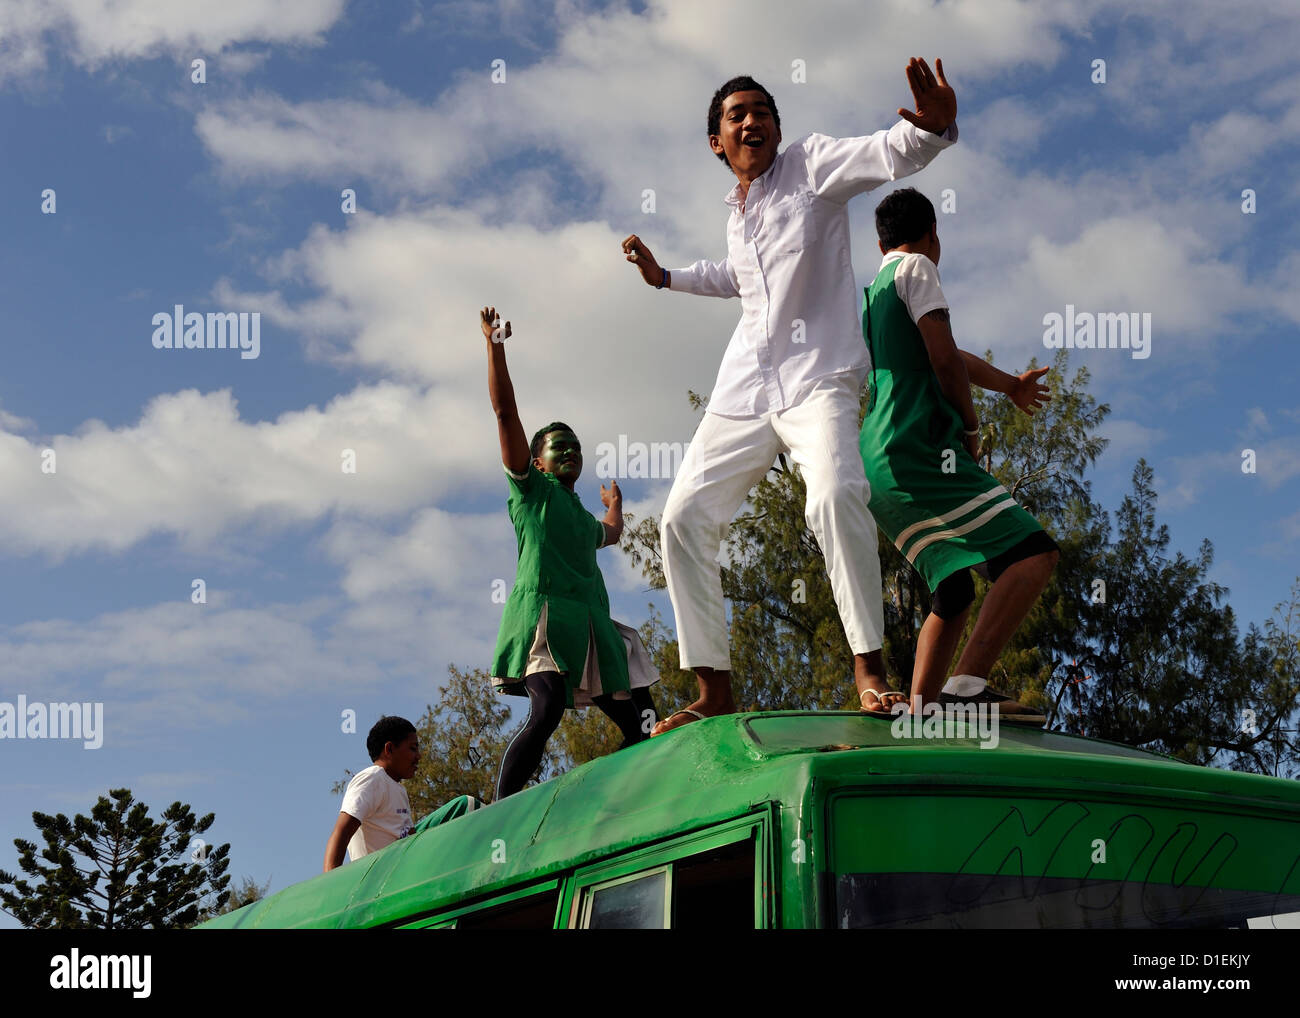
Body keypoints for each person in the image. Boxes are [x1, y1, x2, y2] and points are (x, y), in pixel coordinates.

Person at [622, 59, 958, 733]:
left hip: (819, 378)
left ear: (778, 128)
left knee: (834, 495)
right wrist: (666, 278)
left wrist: (933, 128)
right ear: (716, 143)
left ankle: (868, 671)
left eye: (762, 111)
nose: (752, 120)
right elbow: (736, 276)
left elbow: (887, 152)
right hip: (745, 385)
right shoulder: (738, 214)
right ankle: (713, 688)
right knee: (682, 517)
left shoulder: (813, 167)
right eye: (735, 115)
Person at [858, 187, 1058, 721]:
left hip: (876, 465)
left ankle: (922, 712)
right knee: (1033, 553)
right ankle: (966, 690)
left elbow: (948, 352)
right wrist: (970, 428)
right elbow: (945, 360)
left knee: (953, 587)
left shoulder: (873, 292)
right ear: (931, 236)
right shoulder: (918, 267)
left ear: (880, 241)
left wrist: (1010, 385)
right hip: (916, 450)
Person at [480, 306, 659, 798]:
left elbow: (610, 534)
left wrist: (615, 507)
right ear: (536, 461)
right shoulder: (531, 491)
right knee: (548, 710)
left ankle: (617, 791)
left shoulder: (581, 518)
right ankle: (503, 806)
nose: (571, 452)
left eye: (576, 447)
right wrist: (495, 346)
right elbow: (505, 412)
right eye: (560, 447)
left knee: (644, 721)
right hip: (548, 618)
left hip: (591, 625)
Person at [323, 715, 419, 871]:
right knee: (463, 804)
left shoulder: (399, 790)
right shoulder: (372, 779)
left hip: (401, 862)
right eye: (413, 748)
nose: (418, 756)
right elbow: (342, 832)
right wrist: (328, 885)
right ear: (389, 749)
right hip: (380, 874)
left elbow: (409, 834)